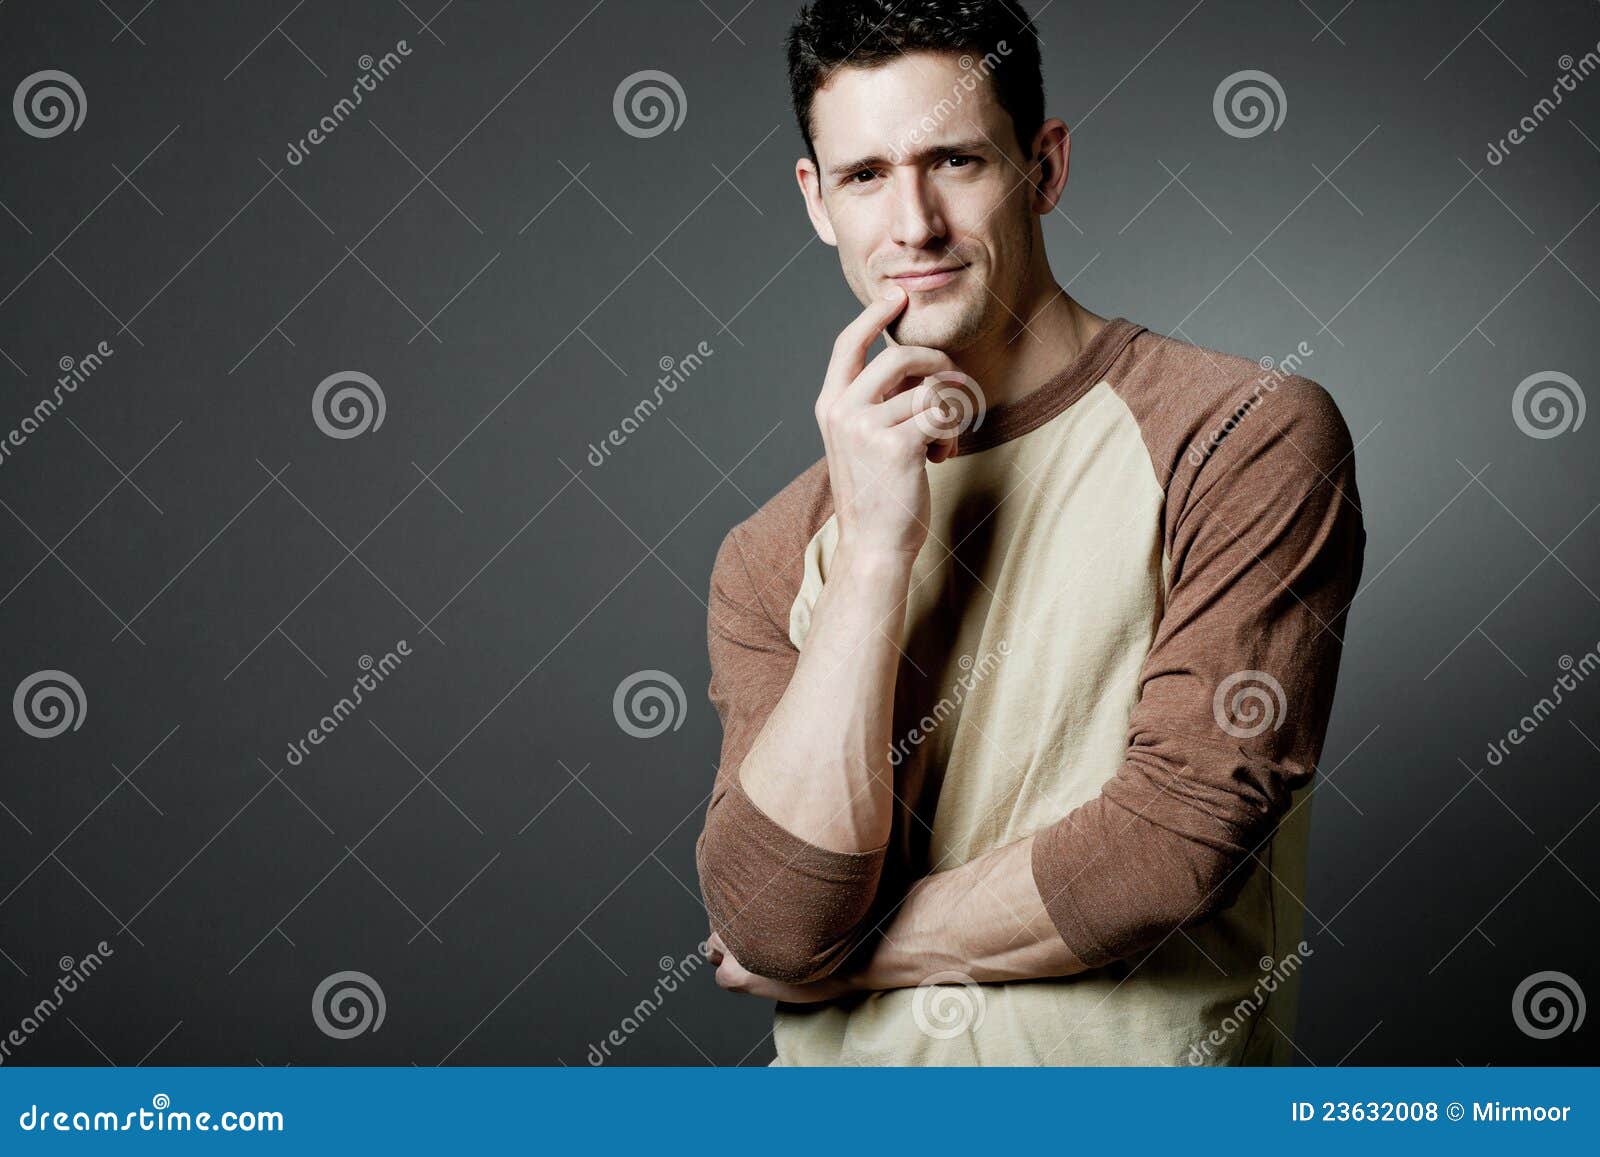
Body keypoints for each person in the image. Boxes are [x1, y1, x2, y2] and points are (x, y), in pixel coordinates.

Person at [694, 0, 1366, 1065]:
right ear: (816, 201)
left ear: (1043, 168)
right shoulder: (771, 548)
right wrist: (873, 554)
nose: (911, 224)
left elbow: (1169, 848)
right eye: (865, 175)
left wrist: (846, 954)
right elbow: (773, 919)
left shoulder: (1238, 431)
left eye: (954, 160)